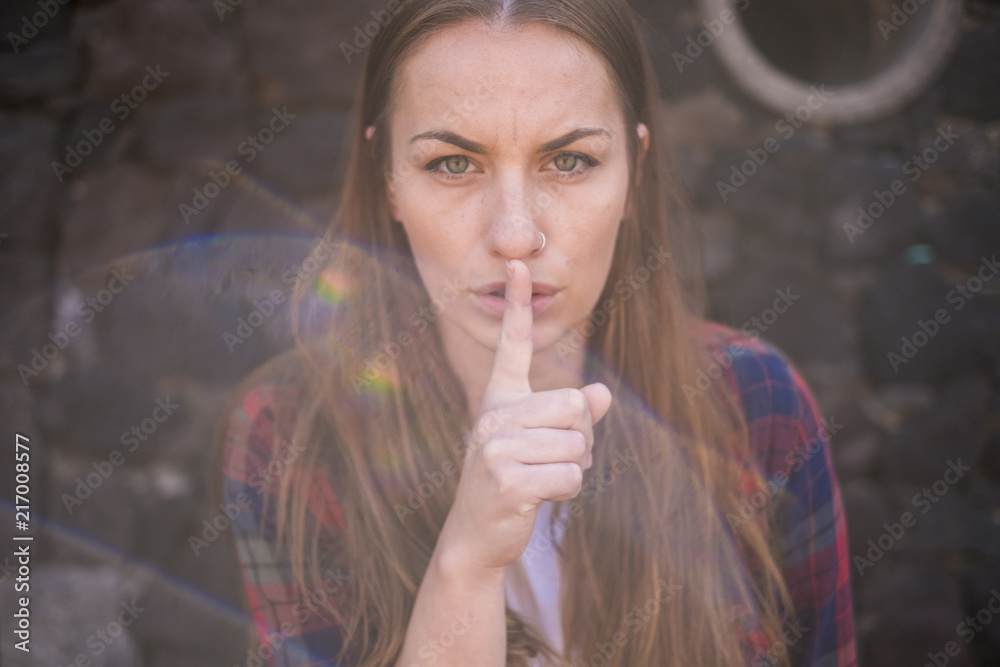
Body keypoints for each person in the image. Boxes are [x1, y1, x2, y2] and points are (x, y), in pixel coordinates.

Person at [215, 0, 858, 665]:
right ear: (389, 180)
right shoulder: (290, 439)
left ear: (634, 172)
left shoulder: (756, 405)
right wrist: (464, 566)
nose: (516, 233)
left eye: (572, 161)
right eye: (453, 165)